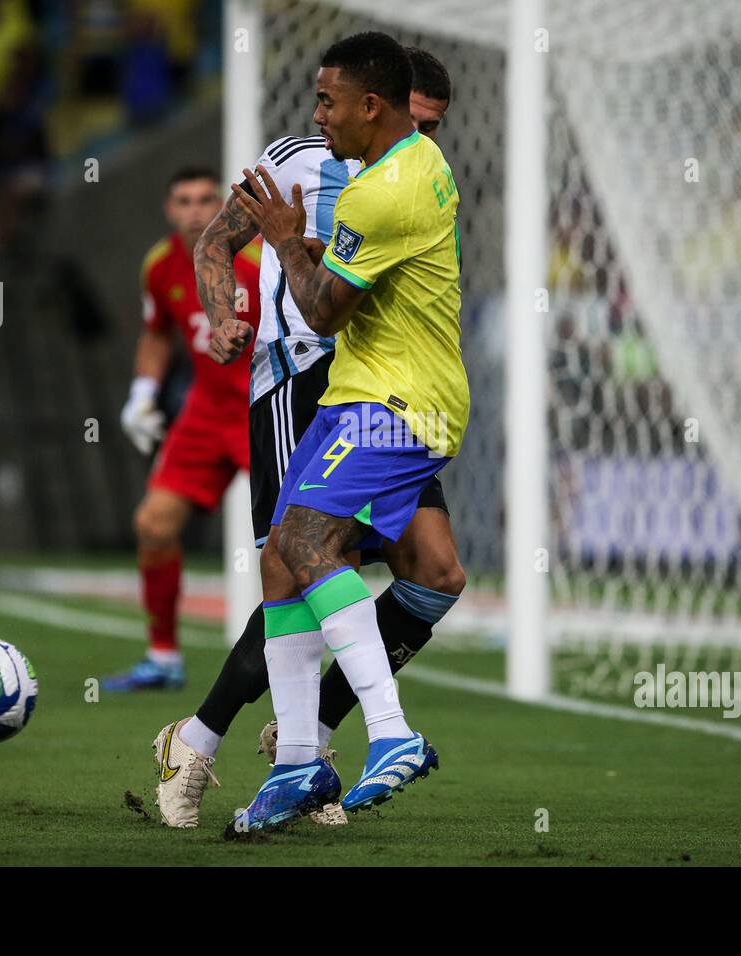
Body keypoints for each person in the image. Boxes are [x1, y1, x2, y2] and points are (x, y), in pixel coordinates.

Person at [150, 46, 463, 830]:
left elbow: (337, 290)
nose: (424, 136)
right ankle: (227, 745)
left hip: (381, 388)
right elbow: (215, 242)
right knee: (295, 559)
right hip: (301, 381)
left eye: (432, 127)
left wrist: (294, 244)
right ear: (384, 104)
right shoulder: (299, 160)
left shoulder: (394, 180)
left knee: (422, 573)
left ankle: (317, 741)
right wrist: (223, 316)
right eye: (417, 121)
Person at [107, 168, 261, 691]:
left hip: (263, 409)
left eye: (205, 199)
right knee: (153, 525)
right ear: (169, 209)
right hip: (206, 410)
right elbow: (156, 335)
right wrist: (142, 393)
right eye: (184, 200)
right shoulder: (160, 264)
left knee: (296, 543)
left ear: (223, 205)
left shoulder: (261, 258)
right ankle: (163, 658)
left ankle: (316, 656)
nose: (195, 210)